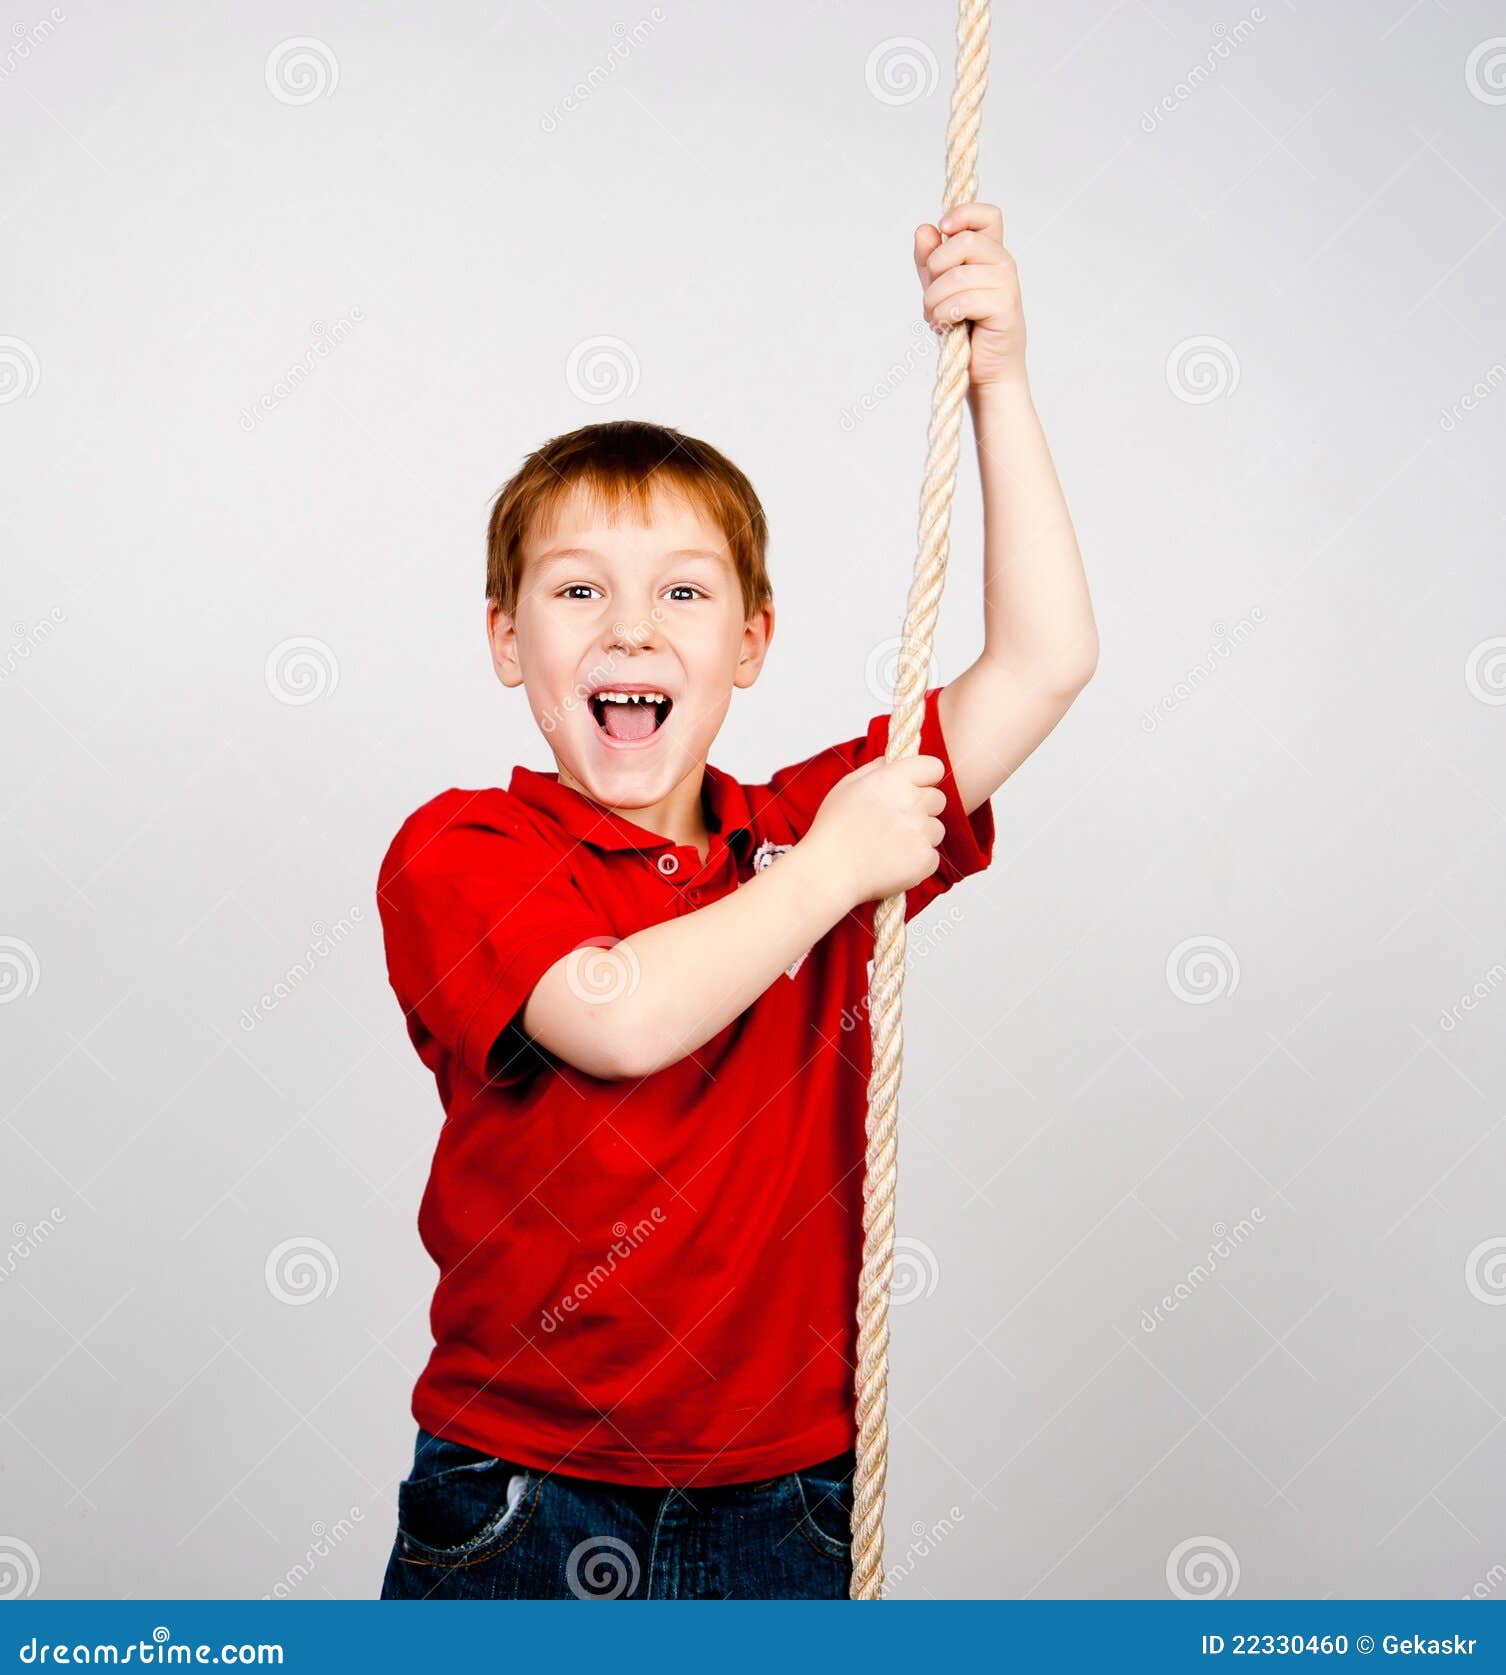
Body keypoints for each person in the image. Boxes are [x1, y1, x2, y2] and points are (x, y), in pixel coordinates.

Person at [375, 203, 1097, 1599]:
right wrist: (831, 868)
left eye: (683, 593)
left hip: (786, 1494)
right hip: (520, 1488)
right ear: (504, 639)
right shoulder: (462, 848)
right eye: (576, 589)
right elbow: (618, 1016)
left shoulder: (801, 819)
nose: (630, 628)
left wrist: (999, 378)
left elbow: (1042, 662)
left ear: (750, 642)